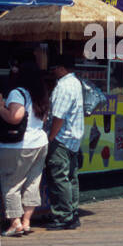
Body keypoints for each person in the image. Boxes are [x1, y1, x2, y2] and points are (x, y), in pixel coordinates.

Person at [0, 54, 50, 237]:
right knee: (33, 183)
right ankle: (26, 222)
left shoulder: (18, 93)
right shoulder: (41, 93)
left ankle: (15, 223)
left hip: (19, 145)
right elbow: (45, 118)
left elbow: (15, 117)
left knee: (11, 184)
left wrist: (0, 107)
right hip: (40, 143)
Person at [44, 52, 84, 230]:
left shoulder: (63, 86)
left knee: (59, 177)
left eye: (55, 68)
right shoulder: (76, 83)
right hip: (74, 138)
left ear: (61, 68)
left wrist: (50, 137)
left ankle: (63, 215)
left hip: (62, 137)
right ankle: (73, 212)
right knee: (71, 176)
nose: (53, 71)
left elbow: (58, 117)